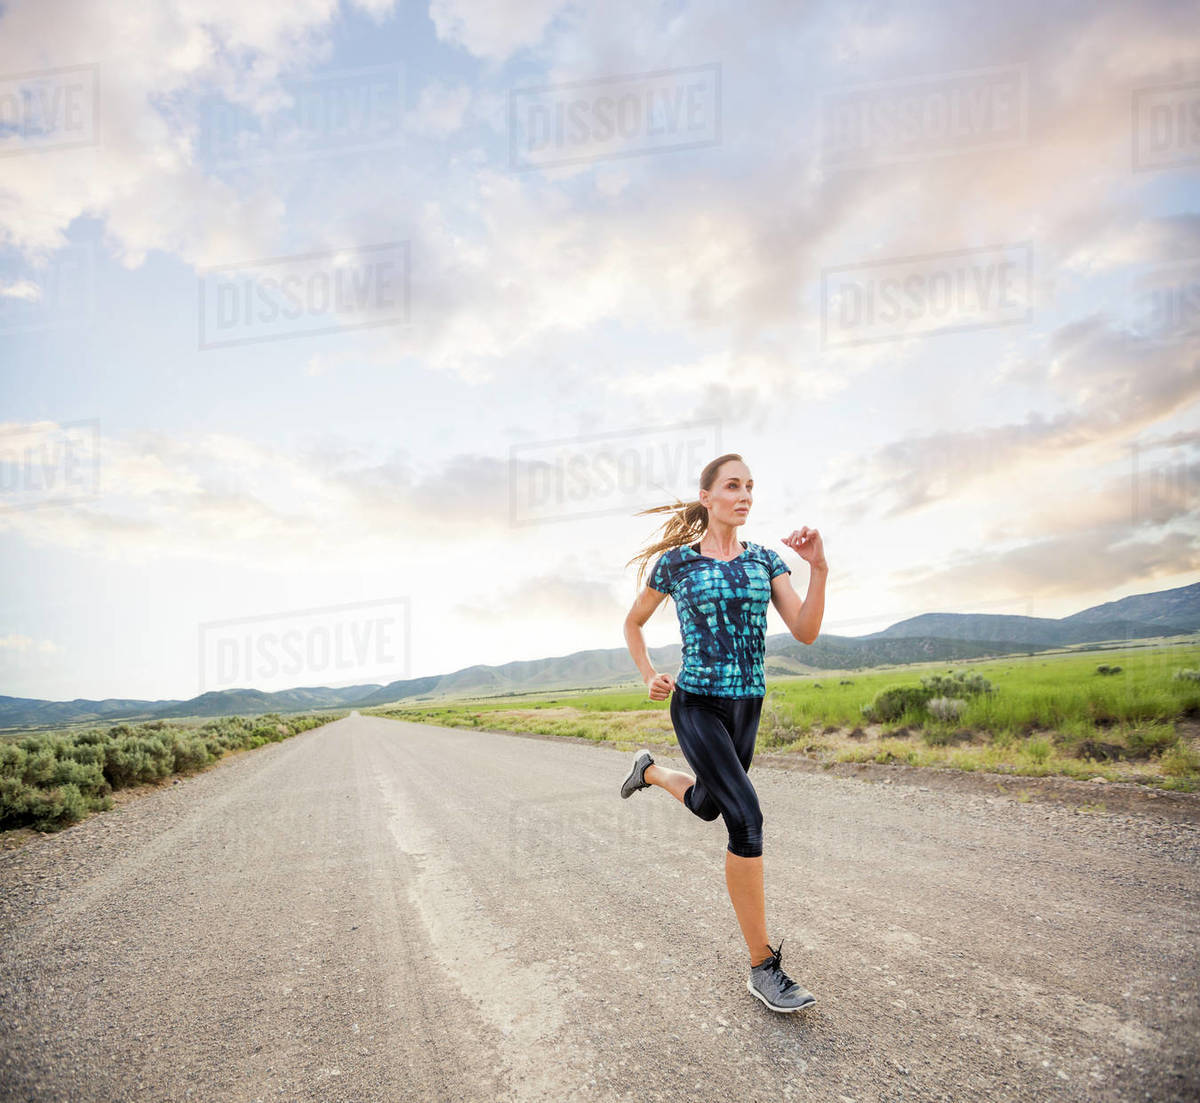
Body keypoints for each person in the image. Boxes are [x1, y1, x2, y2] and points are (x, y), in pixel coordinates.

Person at [619, 452, 828, 1013]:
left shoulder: (766, 560)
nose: (744, 495)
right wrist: (648, 674)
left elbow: (805, 632)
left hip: (746, 707)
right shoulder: (676, 564)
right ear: (707, 497)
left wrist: (819, 569)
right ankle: (764, 968)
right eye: (733, 486)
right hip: (696, 704)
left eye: (750, 487)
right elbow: (633, 622)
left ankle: (651, 771)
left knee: (711, 806)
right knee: (745, 819)